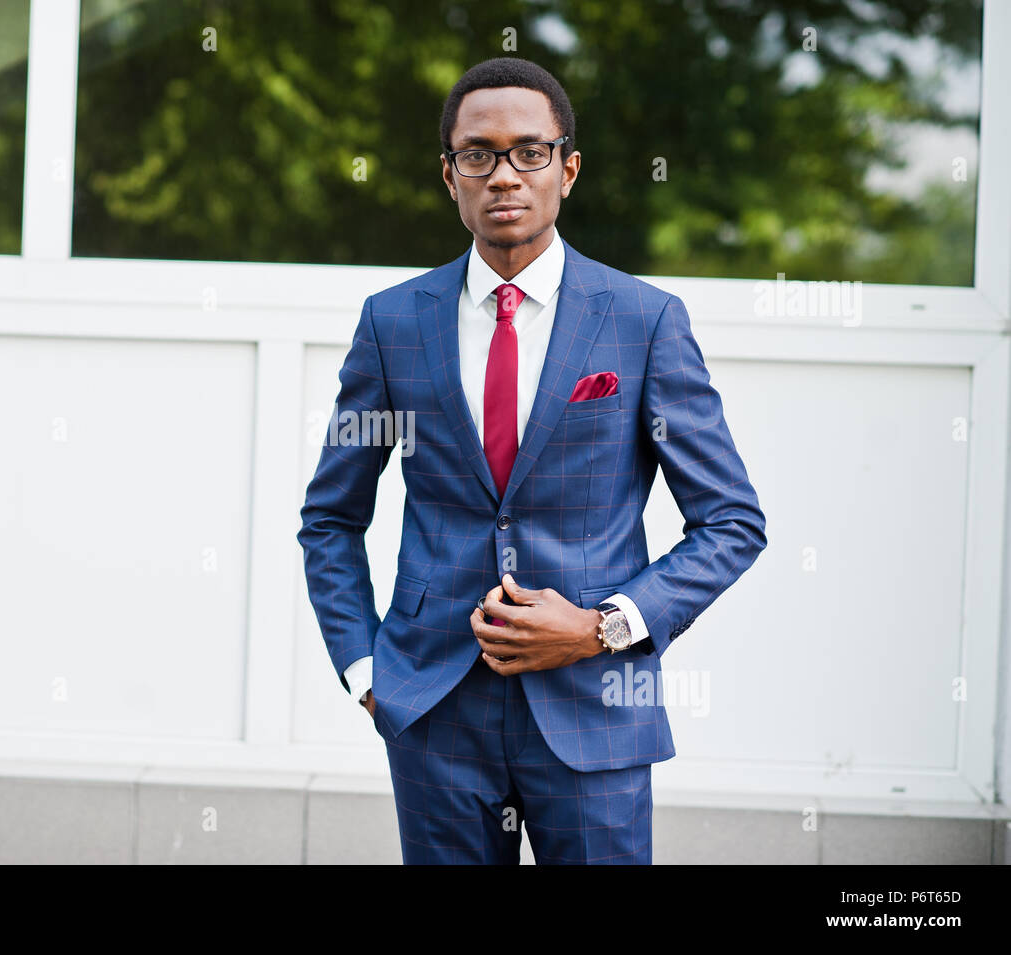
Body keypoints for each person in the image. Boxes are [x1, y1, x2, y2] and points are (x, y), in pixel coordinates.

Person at [297, 56, 766, 864]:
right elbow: (330, 517)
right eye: (477, 154)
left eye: (529, 152)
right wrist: (367, 672)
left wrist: (600, 627)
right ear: (450, 176)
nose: (503, 175)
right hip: (433, 711)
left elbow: (731, 522)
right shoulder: (393, 325)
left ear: (568, 168)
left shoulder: (644, 323)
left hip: (594, 712)